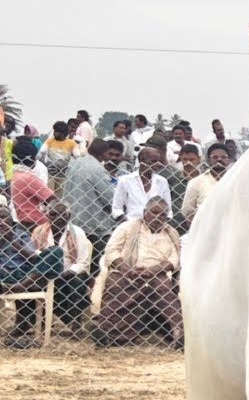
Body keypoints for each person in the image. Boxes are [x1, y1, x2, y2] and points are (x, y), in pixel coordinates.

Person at [94, 196, 182, 348]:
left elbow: (175, 258)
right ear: (144, 212)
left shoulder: (171, 233)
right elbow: (111, 251)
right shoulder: (127, 227)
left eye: (162, 214)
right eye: (154, 212)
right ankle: (107, 331)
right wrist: (128, 270)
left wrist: (155, 269)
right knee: (116, 283)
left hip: (157, 272)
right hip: (126, 270)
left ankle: (179, 333)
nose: (158, 217)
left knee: (162, 287)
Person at [0, 204, 64, 348]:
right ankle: (23, 286)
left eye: (4, 218)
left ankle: (20, 286)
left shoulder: (20, 234)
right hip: (2, 275)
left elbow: (33, 259)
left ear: (11, 220)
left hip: (23, 273)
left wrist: (11, 240)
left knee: (55, 252)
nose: (1, 222)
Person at [32, 200, 91, 329]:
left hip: (71, 272)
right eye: (53, 214)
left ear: (69, 217)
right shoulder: (38, 232)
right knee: (41, 283)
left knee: (77, 282)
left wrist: (65, 274)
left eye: (62, 215)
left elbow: (83, 262)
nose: (58, 218)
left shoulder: (77, 232)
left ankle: (75, 320)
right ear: (47, 216)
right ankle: (63, 320)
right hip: (46, 273)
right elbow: (33, 257)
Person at [65, 139, 118, 276]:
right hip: (93, 224)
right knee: (95, 265)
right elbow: (110, 199)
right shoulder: (98, 170)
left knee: (76, 262)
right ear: (104, 153)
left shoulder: (75, 163)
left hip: (73, 220)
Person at [111, 146, 171, 222]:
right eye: (153, 161)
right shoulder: (125, 180)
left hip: (156, 225)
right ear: (142, 160)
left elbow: (168, 210)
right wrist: (128, 224)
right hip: (131, 224)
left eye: (159, 161)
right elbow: (116, 208)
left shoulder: (162, 181)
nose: (158, 164)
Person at [9, 138, 54, 231]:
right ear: (32, 158)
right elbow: (50, 198)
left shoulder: (16, 174)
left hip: (22, 219)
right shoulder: (29, 178)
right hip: (34, 223)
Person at [181, 143, 228, 224]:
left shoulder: (236, 180)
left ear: (229, 160)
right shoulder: (196, 182)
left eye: (223, 157)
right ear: (208, 161)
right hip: (204, 227)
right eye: (215, 157)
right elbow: (187, 211)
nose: (219, 159)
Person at [170, 144, 202, 233]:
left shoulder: (204, 179)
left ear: (198, 159)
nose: (188, 163)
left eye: (192, 160)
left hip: (199, 223)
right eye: (184, 159)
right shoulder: (173, 179)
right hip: (177, 225)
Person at [37, 121, 80, 189]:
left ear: (63, 133)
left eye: (57, 132)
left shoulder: (71, 143)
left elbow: (77, 155)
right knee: (49, 193)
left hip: (63, 174)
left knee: (59, 196)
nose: (54, 133)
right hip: (50, 172)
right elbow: (42, 151)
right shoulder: (50, 141)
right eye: (54, 131)